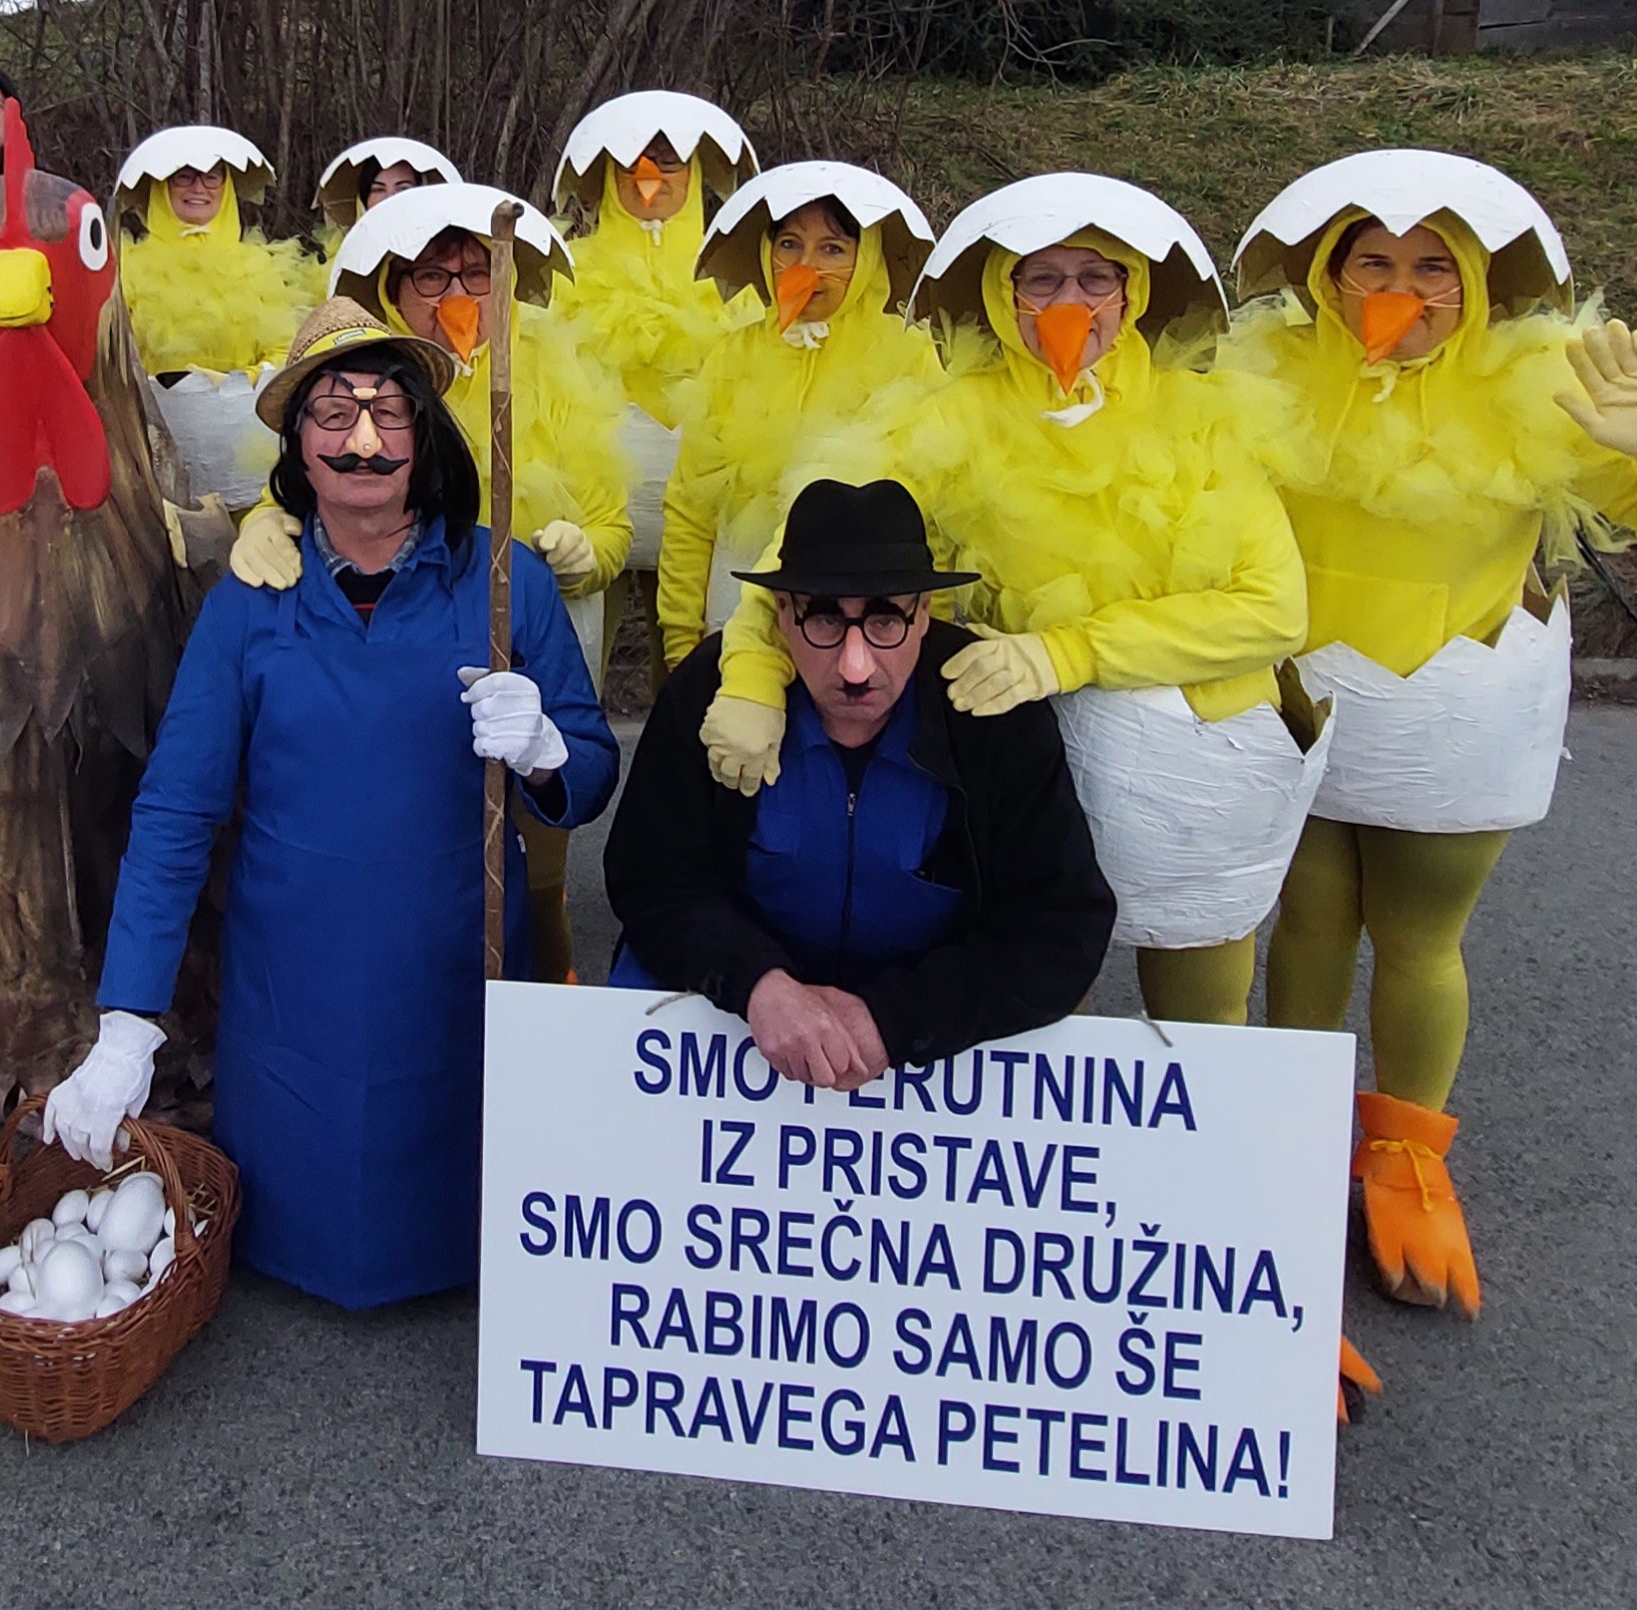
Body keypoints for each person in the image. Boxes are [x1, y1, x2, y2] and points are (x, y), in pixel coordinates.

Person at [1229, 148, 1637, 1322]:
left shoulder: (1539, 385)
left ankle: (1408, 1155)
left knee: (1416, 936)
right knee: (1305, 919)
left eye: (1432, 264)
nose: (1400, 282)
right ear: (1325, 271)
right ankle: (1288, 1135)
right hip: (1295, 701)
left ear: (1476, 278)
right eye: (1370, 258)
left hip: (1456, 709)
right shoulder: (1255, 373)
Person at [41, 297, 619, 1309]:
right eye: (332, 412)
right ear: (296, 449)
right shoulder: (250, 602)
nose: (362, 438)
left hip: (452, 982)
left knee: (458, 1190)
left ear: (425, 435)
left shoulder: (503, 582)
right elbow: (176, 811)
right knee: (296, 1191)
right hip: (290, 1000)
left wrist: (545, 747)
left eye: (390, 410)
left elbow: (591, 778)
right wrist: (126, 1018)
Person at [700, 176, 1316, 1030]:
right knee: (1041, 979)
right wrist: (751, 676)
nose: (1070, 304)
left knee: (1203, 993)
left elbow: (1274, 609)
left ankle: (1216, 1158)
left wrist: (1067, 651)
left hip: (1197, 755)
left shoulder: (1203, 419)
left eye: (1094, 279)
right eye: (1041, 280)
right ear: (1003, 294)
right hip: (1023, 755)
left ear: (1131, 293)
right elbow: (809, 550)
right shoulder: (950, 416)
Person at [235, 184, 630, 982]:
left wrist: (591, 550)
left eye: (476, 275)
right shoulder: (357, 391)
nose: (457, 295)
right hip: (411, 639)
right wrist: (263, 522)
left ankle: (540, 994)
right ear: (395, 288)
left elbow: (617, 520)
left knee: (538, 853)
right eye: (432, 278)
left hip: (533, 632)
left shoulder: (554, 378)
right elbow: (301, 487)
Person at [607, 479, 1112, 1080]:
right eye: (824, 620)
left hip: (926, 1030)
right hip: (735, 1021)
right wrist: (755, 983)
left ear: (923, 616)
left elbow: (1061, 924)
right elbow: (651, 878)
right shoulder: (709, 694)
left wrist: (899, 1019)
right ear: (782, 616)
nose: (855, 666)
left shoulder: (992, 716)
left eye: (885, 622)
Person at [654, 163, 942, 669]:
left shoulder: (909, 357)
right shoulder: (733, 356)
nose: (805, 264)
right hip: (737, 601)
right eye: (789, 244)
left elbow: (934, 512)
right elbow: (691, 507)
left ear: (866, 258)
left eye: (832, 248)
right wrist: (682, 638)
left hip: (859, 625)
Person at [547, 91, 761, 689]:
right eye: (632, 161)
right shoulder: (564, 275)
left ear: (695, 175)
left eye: (669, 160)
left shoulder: (744, 280)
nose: (650, 176)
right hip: (598, 515)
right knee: (577, 654)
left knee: (691, 662)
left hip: (702, 514)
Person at [111, 125, 320, 382]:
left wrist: (243, 381)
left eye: (212, 177)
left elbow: (285, 350)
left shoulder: (259, 268)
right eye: (184, 176)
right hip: (149, 416)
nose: (199, 187)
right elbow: (110, 357)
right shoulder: (125, 268)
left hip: (242, 415)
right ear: (162, 186)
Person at [311, 136, 460, 257]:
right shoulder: (342, 259)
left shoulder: (447, 255)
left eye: (403, 189)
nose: (390, 198)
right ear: (364, 200)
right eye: (378, 189)